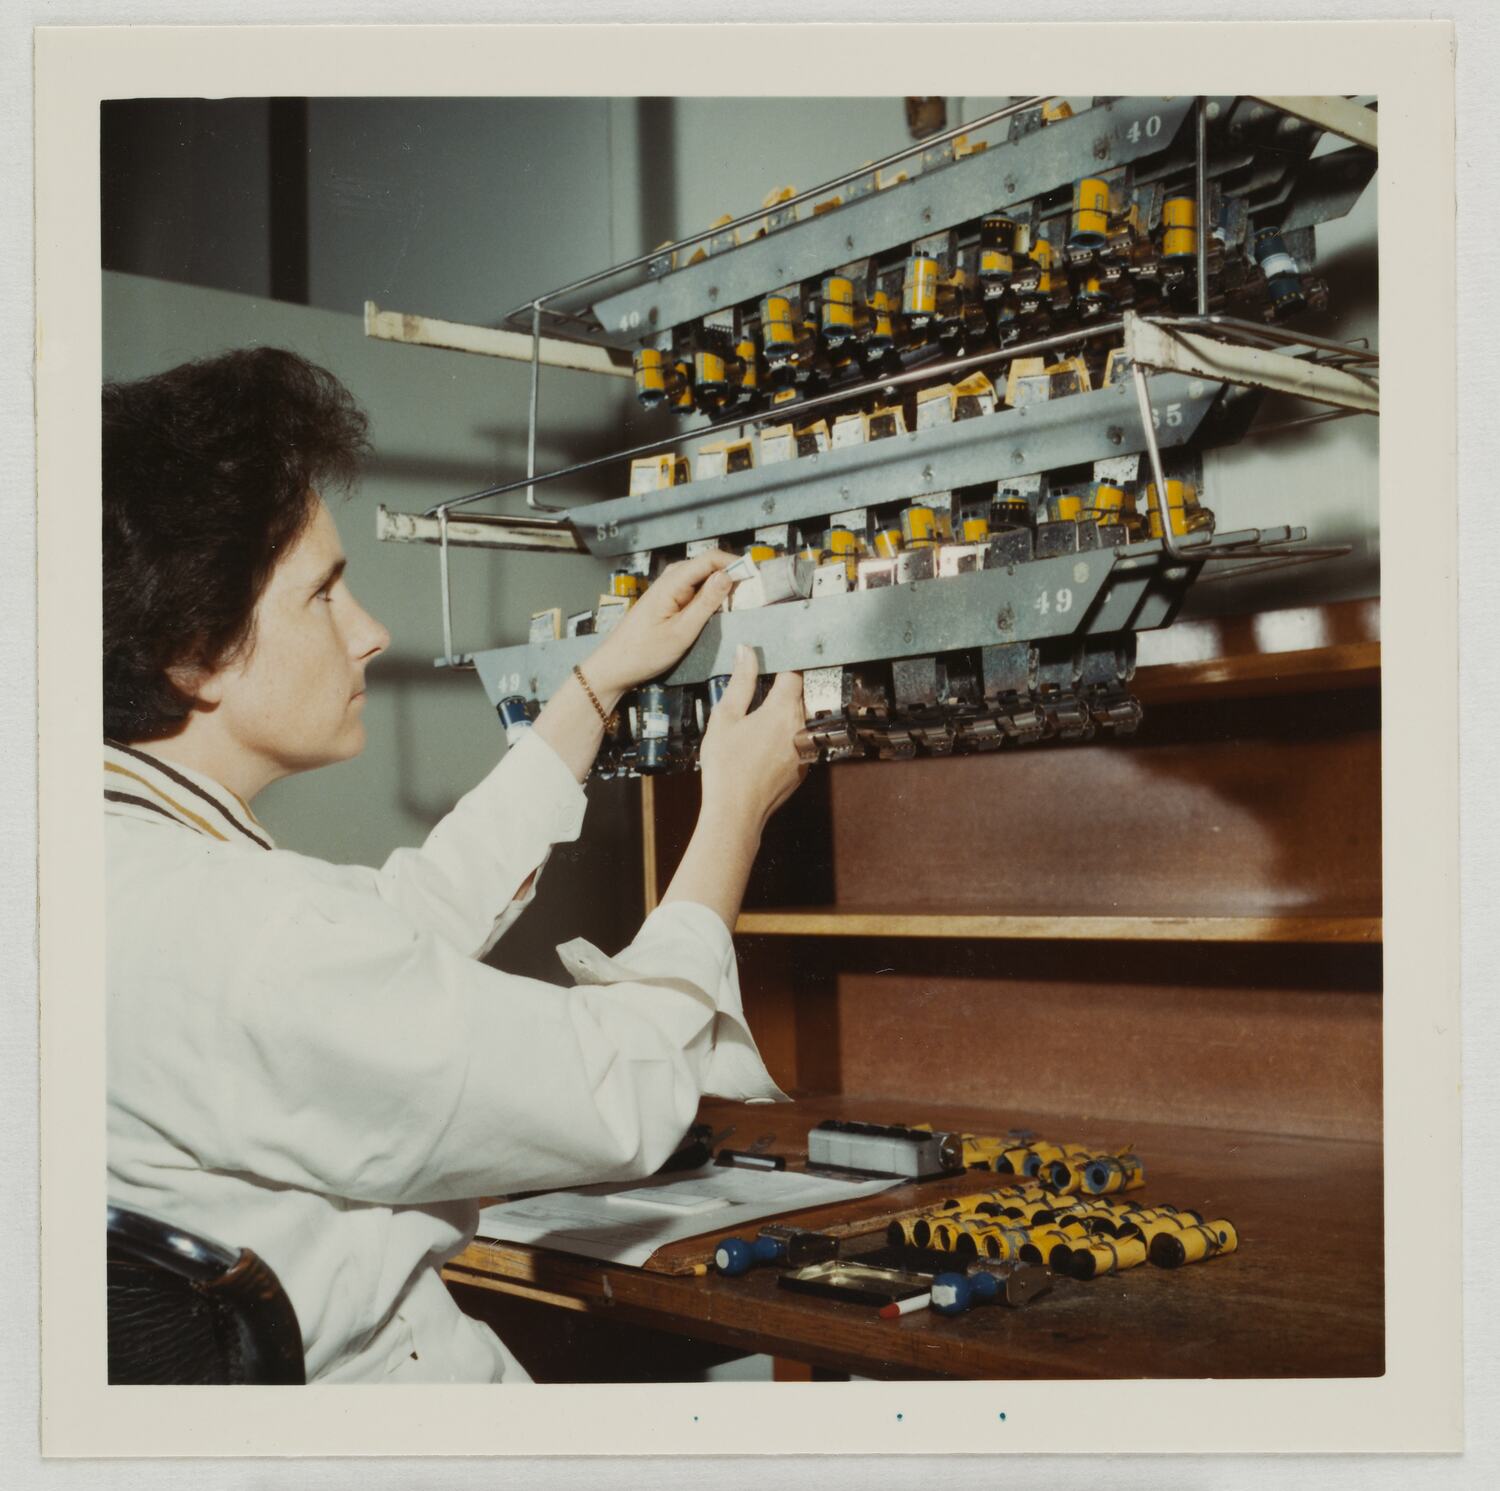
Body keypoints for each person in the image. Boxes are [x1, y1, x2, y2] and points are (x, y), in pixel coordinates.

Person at [103, 347, 808, 1383]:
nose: (372, 633)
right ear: (195, 654)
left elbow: (390, 929)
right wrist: (733, 812)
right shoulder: (253, 939)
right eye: (325, 595)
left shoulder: (111, 874)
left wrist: (594, 689)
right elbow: (618, 1091)